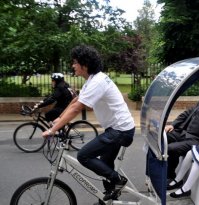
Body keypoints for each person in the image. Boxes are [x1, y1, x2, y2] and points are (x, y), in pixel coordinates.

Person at [42, 45, 135, 204]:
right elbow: (75, 101)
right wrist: (59, 119)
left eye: (75, 62)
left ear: (84, 65)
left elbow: (77, 108)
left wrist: (52, 130)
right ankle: (108, 198)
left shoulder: (97, 81)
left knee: (84, 155)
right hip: (118, 129)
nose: (73, 66)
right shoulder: (92, 80)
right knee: (105, 163)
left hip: (120, 131)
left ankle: (118, 181)